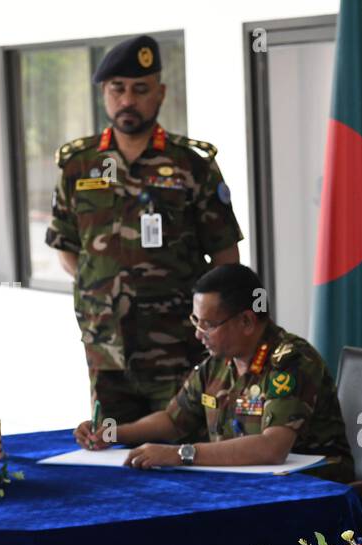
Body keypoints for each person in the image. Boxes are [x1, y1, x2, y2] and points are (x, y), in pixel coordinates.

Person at [47, 34, 242, 425]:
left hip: (179, 350)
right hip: (106, 352)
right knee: (111, 452)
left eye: (140, 89)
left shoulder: (191, 164)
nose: (127, 100)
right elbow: (66, 248)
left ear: (161, 94)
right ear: (105, 92)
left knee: (185, 448)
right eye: (117, 89)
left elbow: (225, 259)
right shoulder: (78, 165)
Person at [74, 264, 354, 483]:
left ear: (246, 321)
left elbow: (272, 448)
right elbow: (173, 420)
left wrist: (180, 454)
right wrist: (111, 433)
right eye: (196, 321)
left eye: (208, 324)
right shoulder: (219, 362)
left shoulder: (291, 361)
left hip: (311, 489)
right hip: (241, 483)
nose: (198, 334)